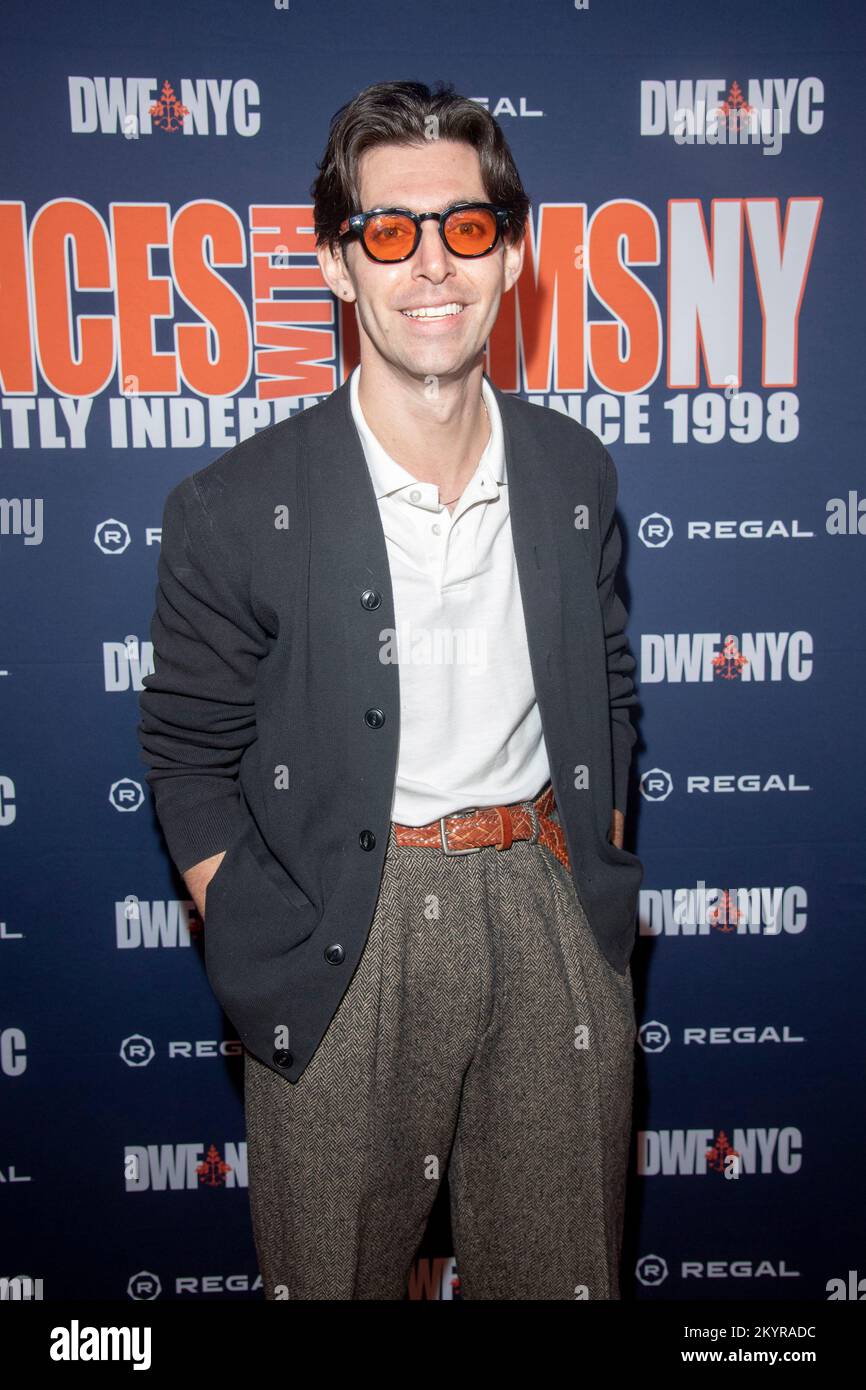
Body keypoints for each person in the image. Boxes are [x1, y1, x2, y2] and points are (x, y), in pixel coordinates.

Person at [138, 78, 643, 1301]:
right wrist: (251, 913)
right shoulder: (231, 505)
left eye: (465, 229)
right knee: (328, 1280)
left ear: (510, 255)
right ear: (335, 262)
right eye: (389, 231)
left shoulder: (573, 471)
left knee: (564, 1277)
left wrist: (595, 863)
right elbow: (185, 752)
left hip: (543, 898)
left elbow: (612, 688)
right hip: (338, 933)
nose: (431, 266)